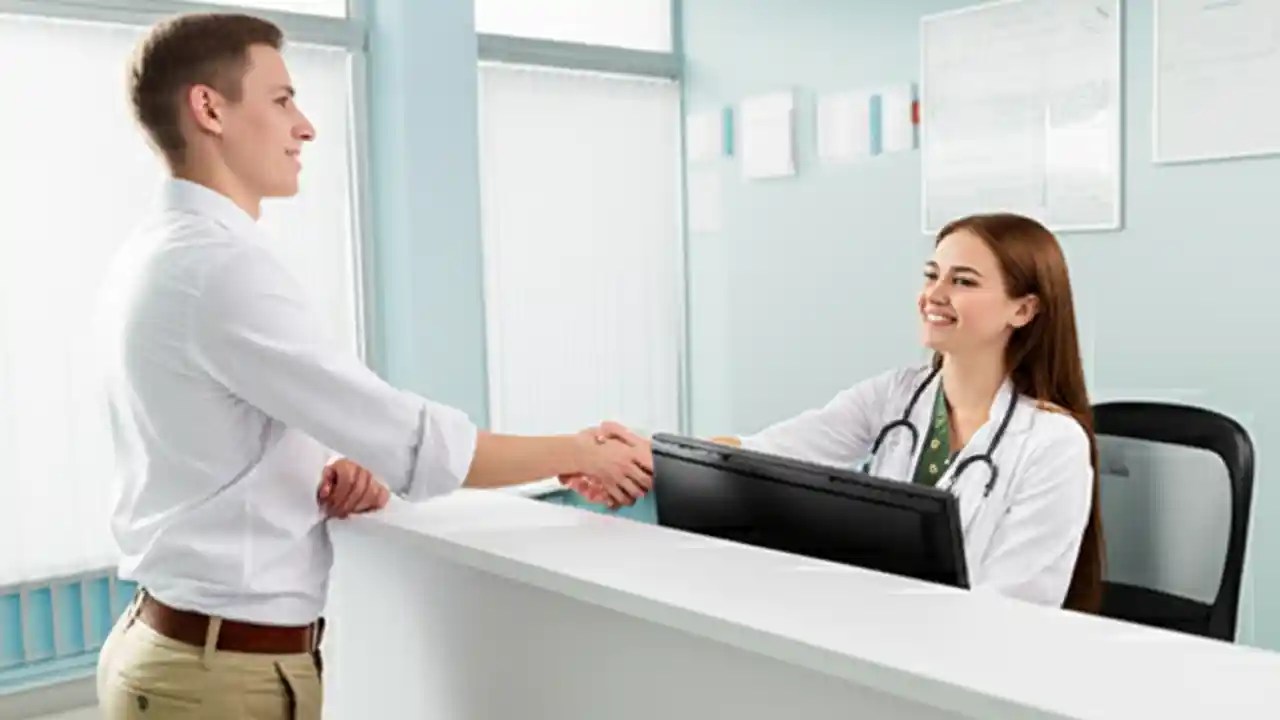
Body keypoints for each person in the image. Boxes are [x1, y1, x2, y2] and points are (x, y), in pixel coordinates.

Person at [94, 13, 649, 719]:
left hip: (179, 651)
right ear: (209, 109)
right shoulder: (219, 268)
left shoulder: (161, 251)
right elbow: (414, 441)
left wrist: (326, 462)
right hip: (215, 678)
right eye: (281, 100)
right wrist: (580, 452)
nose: (305, 127)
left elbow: (212, 432)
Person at [583, 213, 1104, 611]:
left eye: (963, 281)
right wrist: (649, 454)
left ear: (1023, 309)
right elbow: (770, 450)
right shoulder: (894, 396)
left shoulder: (1052, 443)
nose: (934, 295)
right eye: (932, 274)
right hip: (876, 635)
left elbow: (1015, 608)